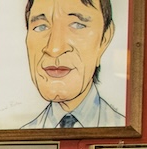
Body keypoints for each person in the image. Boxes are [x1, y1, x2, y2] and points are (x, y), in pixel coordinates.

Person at [22, 0, 122, 129]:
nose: (54, 49)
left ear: (105, 39)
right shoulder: (19, 134)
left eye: (77, 25)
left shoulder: (123, 127)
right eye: (41, 27)